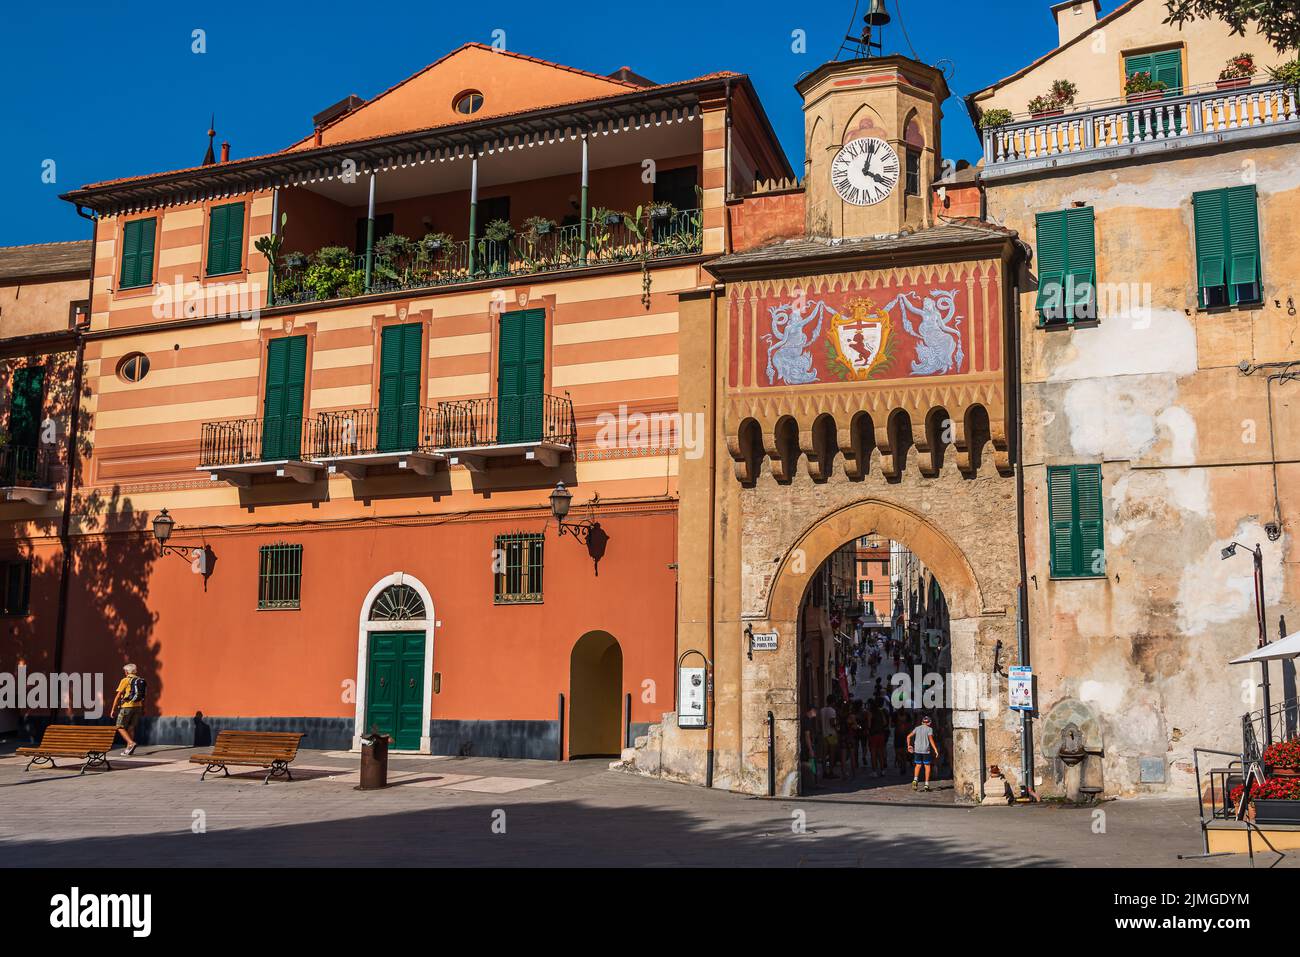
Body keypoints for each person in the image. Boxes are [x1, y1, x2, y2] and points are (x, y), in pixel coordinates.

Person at [109, 663, 146, 756]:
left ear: (126, 672)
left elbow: (118, 696)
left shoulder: (125, 680)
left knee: (119, 726)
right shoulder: (140, 681)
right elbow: (143, 697)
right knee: (131, 728)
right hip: (138, 707)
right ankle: (128, 749)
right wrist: (143, 708)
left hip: (127, 706)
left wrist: (113, 709)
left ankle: (131, 743)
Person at [907, 714, 942, 791]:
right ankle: (926, 784)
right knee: (927, 766)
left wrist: (909, 745)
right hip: (926, 750)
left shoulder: (917, 728)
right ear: (929, 723)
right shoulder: (929, 729)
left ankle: (915, 779)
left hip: (917, 750)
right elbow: (931, 740)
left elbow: (908, 736)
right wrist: (935, 749)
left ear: (922, 722)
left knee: (918, 765)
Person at [820, 695, 840, 779]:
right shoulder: (832, 711)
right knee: (832, 754)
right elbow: (832, 723)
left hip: (824, 734)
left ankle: (824, 771)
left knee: (824, 755)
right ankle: (831, 771)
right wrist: (837, 728)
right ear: (833, 702)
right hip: (831, 734)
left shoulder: (822, 710)